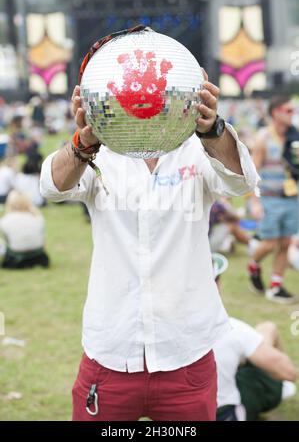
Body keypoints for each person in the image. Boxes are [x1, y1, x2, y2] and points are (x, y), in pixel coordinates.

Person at [40, 27, 259, 421]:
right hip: (111, 352)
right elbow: (52, 187)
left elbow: (240, 180)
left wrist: (213, 129)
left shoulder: (198, 147)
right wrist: (81, 144)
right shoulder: (100, 152)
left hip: (186, 353)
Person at [248, 95, 299, 303]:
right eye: (288, 110)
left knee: (286, 243)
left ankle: (275, 286)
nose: (292, 114)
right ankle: (253, 264)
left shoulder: (294, 136)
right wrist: (254, 202)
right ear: (275, 112)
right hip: (269, 199)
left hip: (291, 198)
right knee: (270, 243)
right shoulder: (263, 138)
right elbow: (252, 172)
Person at [214, 318, 297, 421]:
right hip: (222, 411)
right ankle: (281, 387)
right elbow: (290, 373)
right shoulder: (231, 327)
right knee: (267, 328)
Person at [0, 190, 49, 269]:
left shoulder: (5, 221)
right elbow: (43, 241)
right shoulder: (38, 217)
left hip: (16, 261)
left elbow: (7, 242)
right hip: (40, 258)